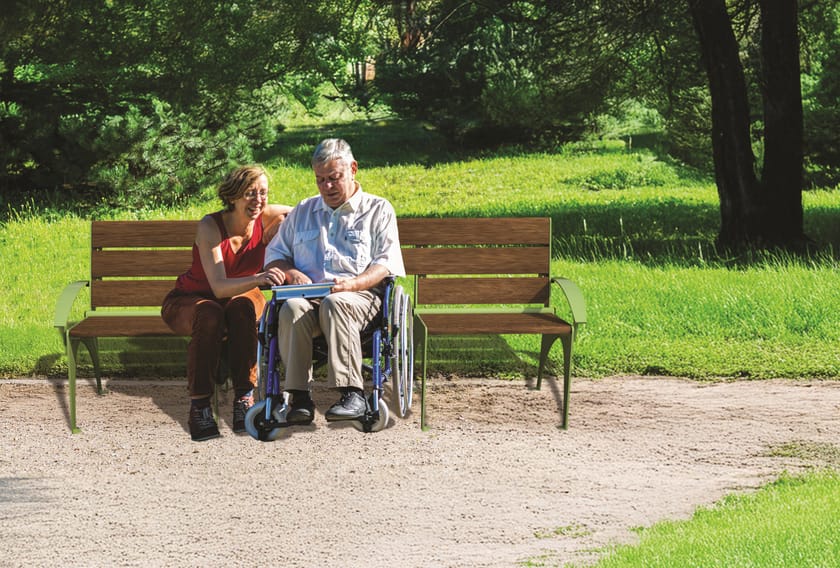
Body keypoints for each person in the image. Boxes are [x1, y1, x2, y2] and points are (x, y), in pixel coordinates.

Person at [264, 138, 405, 424]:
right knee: (290, 309)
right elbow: (275, 256)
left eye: (334, 178)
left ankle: (352, 393)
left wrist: (353, 284)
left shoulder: (377, 209)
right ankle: (298, 398)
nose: (327, 186)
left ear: (353, 169)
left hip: (361, 297)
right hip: (308, 297)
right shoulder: (303, 212)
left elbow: (386, 264)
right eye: (320, 180)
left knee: (336, 302)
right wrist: (290, 272)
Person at [161, 165, 292, 441]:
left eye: (264, 193)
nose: (258, 200)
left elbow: (306, 211)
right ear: (232, 196)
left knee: (243, 308)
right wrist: (260, 277)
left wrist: (280, 226)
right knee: (210, 313)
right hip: (192, 300)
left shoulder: (265, 215)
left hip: (238, 298)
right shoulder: (211, 226)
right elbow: (219, 288)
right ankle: (200, 406)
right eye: (250, 193)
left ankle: (244, 397)